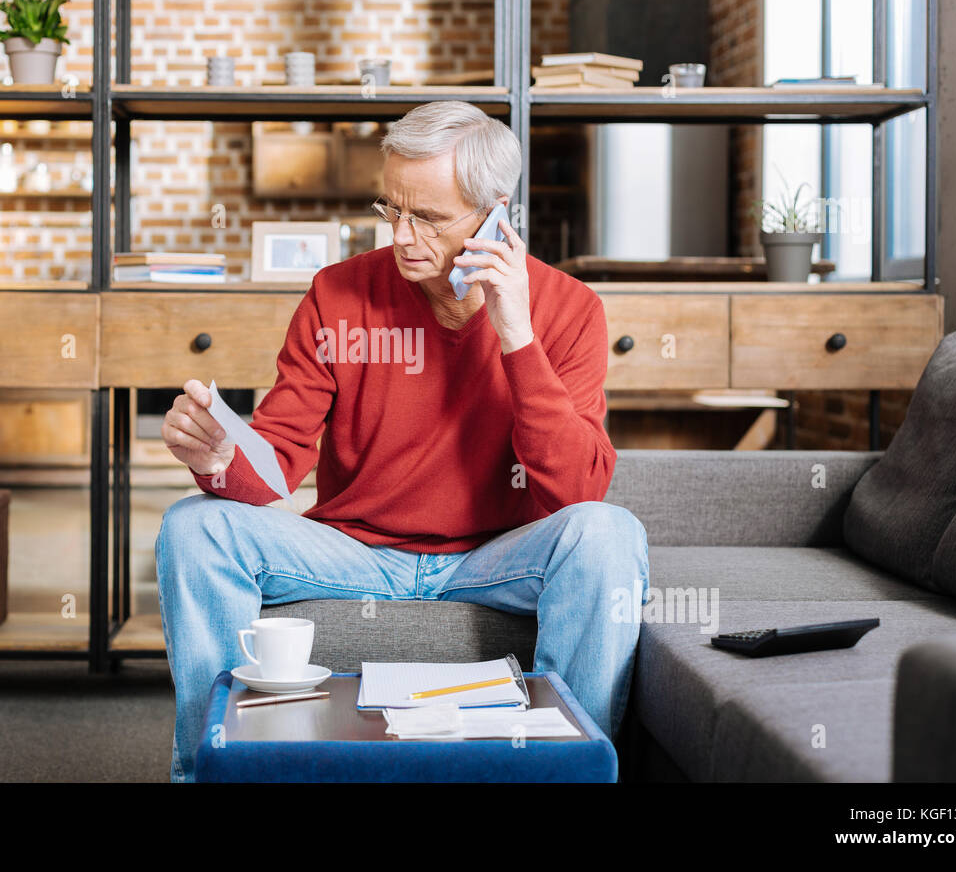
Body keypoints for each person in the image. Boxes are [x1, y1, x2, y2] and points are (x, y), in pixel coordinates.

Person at [155, 100, 648, 782]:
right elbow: (278, 459)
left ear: (496, 212)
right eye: (392, 210)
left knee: (607, 532)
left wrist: (516, 336)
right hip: (354, 553)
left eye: (430, 218)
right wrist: (219, 460)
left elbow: (575, 491)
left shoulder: (567, 310)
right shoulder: (339, 294)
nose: (403, 237)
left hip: (496, 559)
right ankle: (209, 769)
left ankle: (560, 770)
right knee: (194, 525)